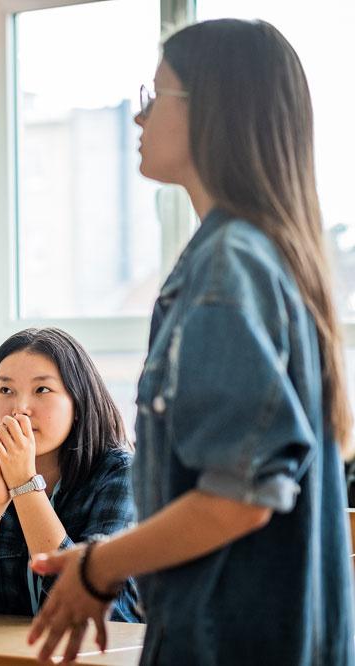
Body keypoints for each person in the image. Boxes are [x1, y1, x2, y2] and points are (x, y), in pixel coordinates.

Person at [28, 19, 354, 665]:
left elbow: (241, 496)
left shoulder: (228, 268)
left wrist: (97, 565)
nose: (137, 119)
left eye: (155, 96)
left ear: (215, 110)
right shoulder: (250, 255)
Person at [0, 328, 138, 620]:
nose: (20, 408)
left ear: (78, 401)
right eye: (5, 390)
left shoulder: (121, 475)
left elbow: (99, 613)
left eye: (42, 390)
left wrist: (24, 485)